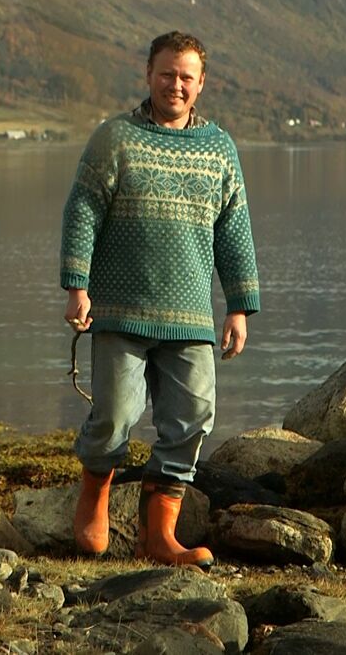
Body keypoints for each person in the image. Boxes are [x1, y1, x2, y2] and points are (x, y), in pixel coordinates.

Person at [60, 31, 260, 568]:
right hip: (120, 309)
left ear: (201, 85)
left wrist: (238, 306)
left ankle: (159, 538)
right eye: (167, 73)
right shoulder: (115, 138)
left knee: (194, 415)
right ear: (148, 74)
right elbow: (83, 209)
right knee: (115, 414)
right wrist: (77, 285)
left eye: (186, 77)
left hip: (192, 313)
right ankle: (94, 497)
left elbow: (234, 229)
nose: (176, 84)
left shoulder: (219, 148)